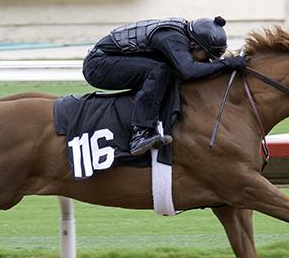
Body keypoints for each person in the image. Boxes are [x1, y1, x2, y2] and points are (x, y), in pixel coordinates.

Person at [82, 16, 247, 155]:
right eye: (206, 56)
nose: (206, 61)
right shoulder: (172, 38)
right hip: (97, 66)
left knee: (165, 70)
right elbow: (188, 71)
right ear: (194, 44)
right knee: (158, 70)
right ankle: (140, 134)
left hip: (112, 61)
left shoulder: (185, 36)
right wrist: (228, 64)